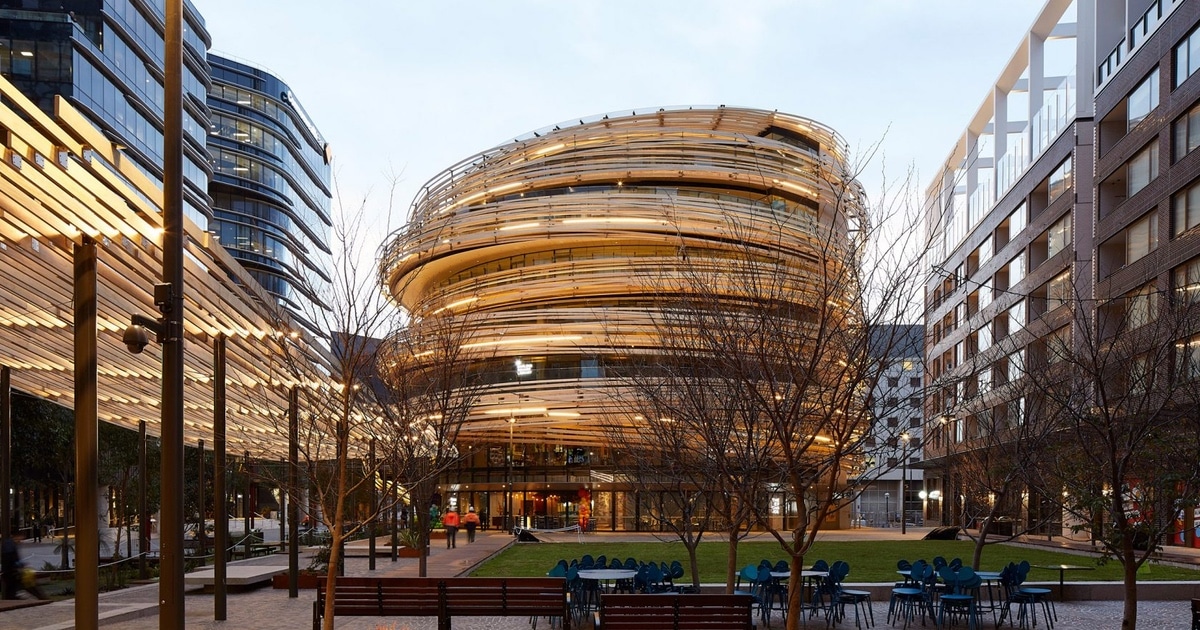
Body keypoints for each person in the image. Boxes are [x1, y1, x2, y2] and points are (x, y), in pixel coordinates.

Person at [1, 535, 44, 600]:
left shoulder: (9, 543)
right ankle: (41, 598)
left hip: (10, 572)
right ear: (16, 536)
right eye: (20, 539)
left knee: (11, 591)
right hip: (12, 573)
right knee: (27, 586)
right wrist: (19, 566)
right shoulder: (10, 544)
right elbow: (11, 558)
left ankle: (40, 598)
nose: (20, 541)